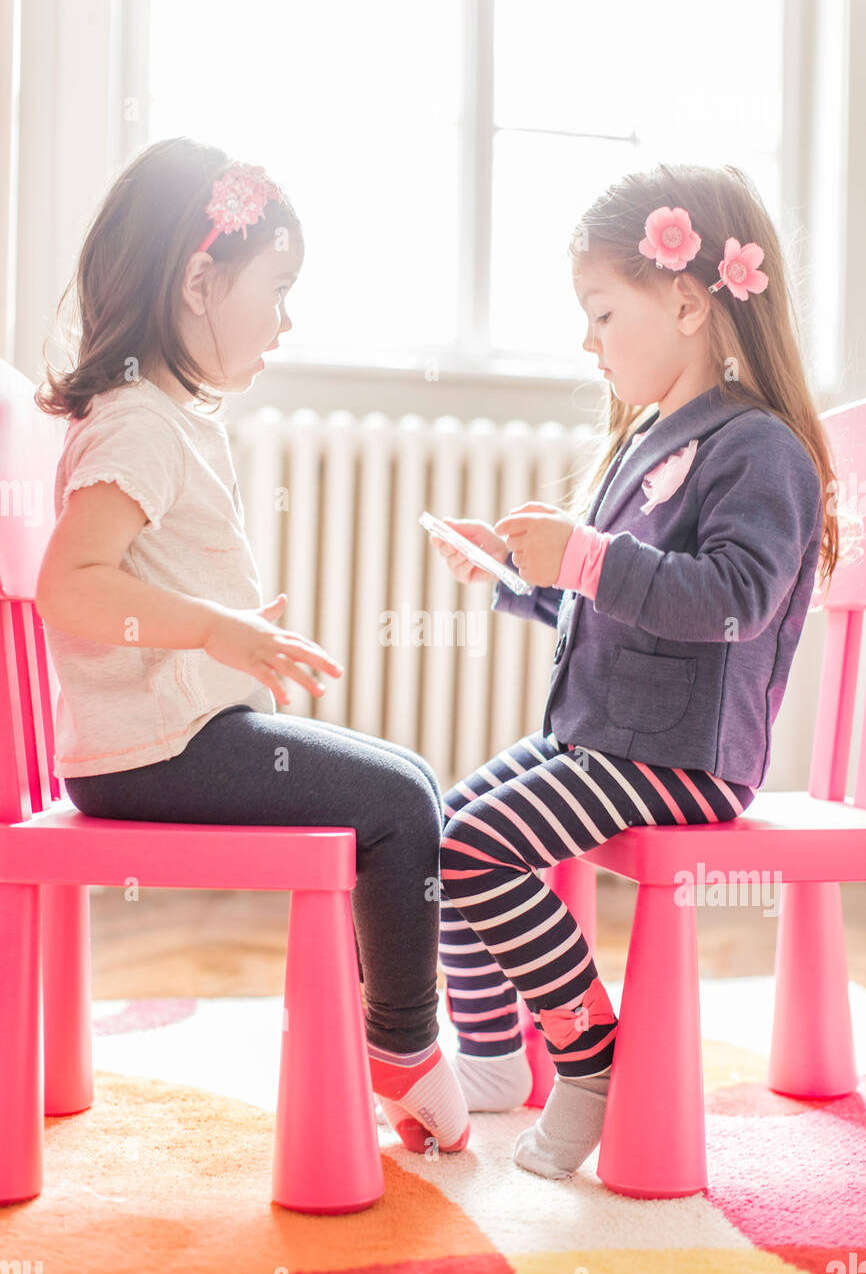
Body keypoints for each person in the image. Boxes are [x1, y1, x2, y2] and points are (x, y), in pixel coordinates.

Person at [34, 137, 469, 1157]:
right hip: (147, 758)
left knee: (405, 779)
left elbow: (136, 586)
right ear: (198, 281)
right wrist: (213, 628)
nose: (287, 318)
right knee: (402, 804)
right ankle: (400, 1045)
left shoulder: (169, 417)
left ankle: (389, 1026)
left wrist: (220, 630)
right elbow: (71, 585)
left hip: (162, 738)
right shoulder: (142, 422)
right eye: (275, 288)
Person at [430, 162, 852, 1180]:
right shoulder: (645, 437)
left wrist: (582, 555)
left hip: (682, 755)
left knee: (481, 846)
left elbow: (728, 599)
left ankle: (589, 1058)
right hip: (604, 735)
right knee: (447, 829)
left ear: (685, 299)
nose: (587, 340)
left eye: (601, 311)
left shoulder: (761, 450)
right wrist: (519, 574)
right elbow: (614, 602)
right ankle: (490, 1057)